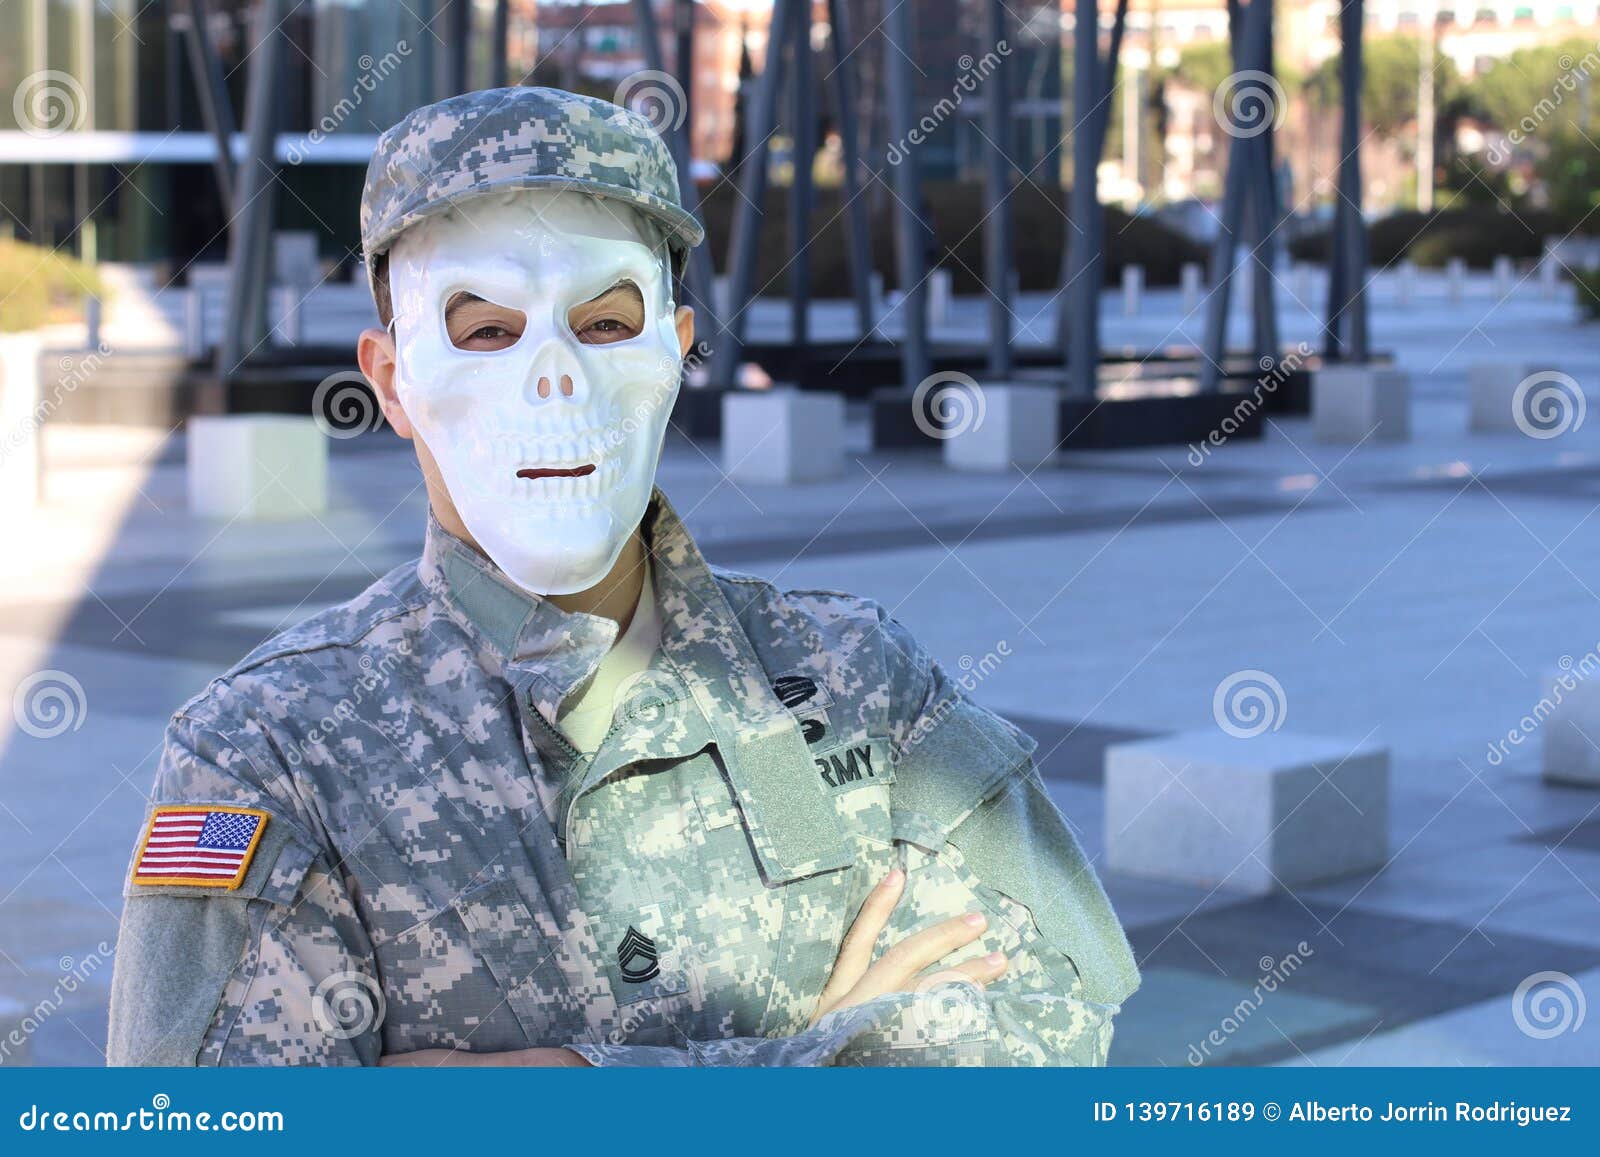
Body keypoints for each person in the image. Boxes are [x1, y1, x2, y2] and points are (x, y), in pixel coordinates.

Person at [106, 87, 1138, 1067]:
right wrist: (825, 1060)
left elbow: (1047, 1030)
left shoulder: (861, 678)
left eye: (605, 321)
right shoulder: (272, 748)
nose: (553, 373)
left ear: (675, 349)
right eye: (486, 329)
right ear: (392, 381)